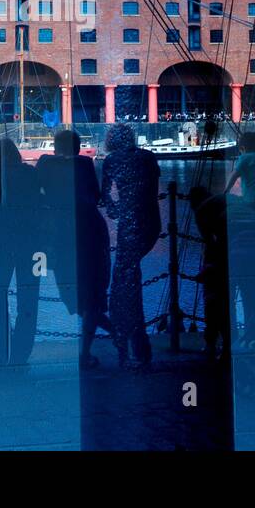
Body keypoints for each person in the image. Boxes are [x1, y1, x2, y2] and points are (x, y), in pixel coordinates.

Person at [37, 130, 111, 369]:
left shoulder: (46, 163)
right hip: (91, 230)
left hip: (61, 233)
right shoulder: (85, 164)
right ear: (78, 147)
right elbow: (97, 194)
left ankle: (110, 335)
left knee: (72, 293)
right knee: (92, 292)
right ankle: (112, 335)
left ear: (55, 147)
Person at [100, 123, 161, 369]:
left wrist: (116, 210)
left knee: (124, 283)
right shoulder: (148, 157)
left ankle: (126, 343)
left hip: (130, 225)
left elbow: (106, 195)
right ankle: (138, 346)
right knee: (130, 279)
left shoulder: (112, 160)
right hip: (150, 223)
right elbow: (152, 192)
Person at [0, 138, 45, 366]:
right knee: (29, 297)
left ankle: (2, 352)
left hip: (4, 241)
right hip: (33, 243)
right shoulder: (30, 173)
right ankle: (21, 353)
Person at [187, 187, 231, 361]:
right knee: (230, 298)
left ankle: (211, 342)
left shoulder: (201, 210)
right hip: (253, 235)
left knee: (214, 297)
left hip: (228, 245)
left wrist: (208, 268)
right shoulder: (223, 199)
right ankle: (241, 340)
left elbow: (210, 243)